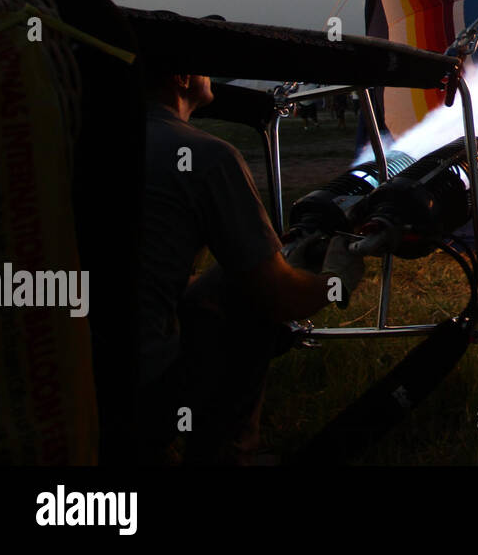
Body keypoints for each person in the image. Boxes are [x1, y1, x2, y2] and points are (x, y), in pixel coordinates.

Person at [137, 70, 364, 464]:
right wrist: (336, 280)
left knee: (225, 280)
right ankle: (226, 454)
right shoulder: (207, 156)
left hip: (69, 372)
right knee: (248, 296)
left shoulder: (80, 137)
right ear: (181, 76)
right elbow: (280, 297)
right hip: (140, 390)